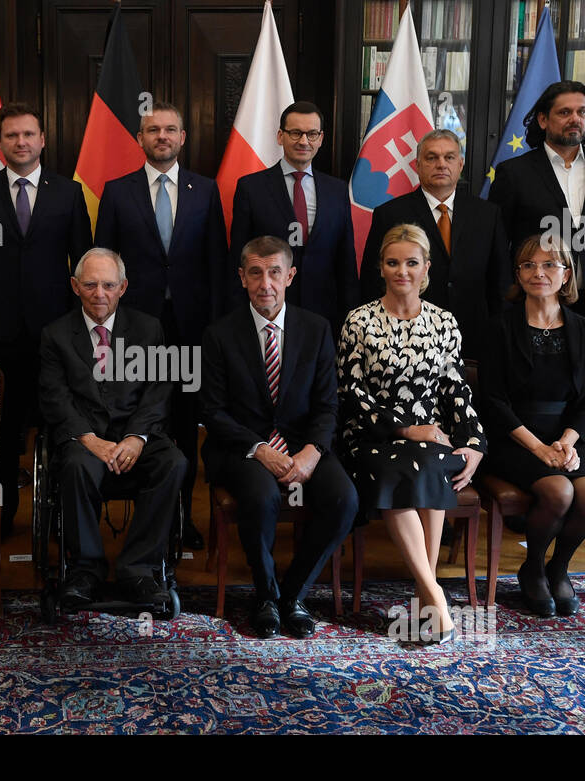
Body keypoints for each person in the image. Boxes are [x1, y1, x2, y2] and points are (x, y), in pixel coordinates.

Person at [200, 236, 358, 638]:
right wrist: (259, 449)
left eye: (274, 272)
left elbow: (327, 405)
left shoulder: (317, 329)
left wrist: (311, 452)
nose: (265, 283)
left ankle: (293, 594)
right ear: (242, 277)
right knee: (262, 495)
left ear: (290, 276)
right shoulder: (219, 334)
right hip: (242, 448)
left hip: (303, 444)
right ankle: (265, 596)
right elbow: (212, 412)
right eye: (255, 272)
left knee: (344, 498)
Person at [338, 224, 484, 643]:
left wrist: (473, 444)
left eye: (411, 263)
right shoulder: (359, 321)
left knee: (431, 463)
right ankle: (434, 592)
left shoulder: (444, 322)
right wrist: (405, 428)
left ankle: (424, 597)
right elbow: (350, 393)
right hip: (372, 436)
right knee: (402, 467)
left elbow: (457, 390)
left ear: (426, 269)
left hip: (431, 440)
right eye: (393, 262)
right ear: (381, 268)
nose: (402, 270)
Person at [94, 100, 227, 550]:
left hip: (190, 327)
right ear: (140, 138)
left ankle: (182, 516)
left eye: (170, 129)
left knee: (186, 423)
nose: (162, 137)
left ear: (183, 137)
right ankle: (133, 513)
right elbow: (102, 263)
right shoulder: (117, 191)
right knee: (136, 415)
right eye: (153, 130)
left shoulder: (205, 191)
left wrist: (214, 328)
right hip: (133, 327)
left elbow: (217, 263)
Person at [0, 102, 93, 535]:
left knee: (59, 423)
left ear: (42, 140)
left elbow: (84, 268)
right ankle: (5, 514)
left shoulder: (68, 192)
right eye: (12, 135)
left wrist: (79, 328)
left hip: (57, 335)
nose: (21, 142)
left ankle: (56, 514)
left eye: (28, 134)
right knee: (2, 429)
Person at [38, 248, 185, 609]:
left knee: (174, 462)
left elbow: (158, 390)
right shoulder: (55, 335)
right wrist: (92, 441)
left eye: (108, 285)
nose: (99, 294)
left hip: (137, 436)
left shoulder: (149, 328)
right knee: (73, 464)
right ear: (75, 286)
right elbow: (55, 398)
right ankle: (85, 569)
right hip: (85, 441)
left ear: (123, 287)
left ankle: (139, 568)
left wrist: (135, 438)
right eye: (90, 284)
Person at [479, 235, 585, 617]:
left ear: (566, 274)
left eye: (550, 264)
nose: (539, 272)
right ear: (518, 274)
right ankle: (532, 568)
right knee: (560, 493)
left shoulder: (584, 330)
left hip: (566, 436)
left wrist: (566, 442)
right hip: (513, 437)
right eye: (529, 265)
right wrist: (539, 448)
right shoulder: (499, 326)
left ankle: (558, 567)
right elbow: (492, 401)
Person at [488, 81, 585, 337]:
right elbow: (497, 244)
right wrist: (505, 299)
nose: (575, 119)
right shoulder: (514, 173)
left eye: (581, 112)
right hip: (535, 299)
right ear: (543, 120)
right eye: (565, 112)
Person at [360, 129, 512, 361]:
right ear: (417, 165)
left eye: (449, 157)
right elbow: (373, 281)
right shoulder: (389, 214)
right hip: (406, 338)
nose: (441, 164)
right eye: (432, 157)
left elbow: (500, 281)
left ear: (460, 164)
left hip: (473, 337)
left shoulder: (487, 214)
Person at [230, 101, 360, 330]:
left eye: (311, 134)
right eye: (296, 133)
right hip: (267, 309)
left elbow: (345, 260)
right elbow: (238, 256)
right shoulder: (251, 188)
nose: (303, 141)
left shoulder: (337, 190)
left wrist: (350, 315)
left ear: (320, 139)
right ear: (280, 136)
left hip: (324, 312)